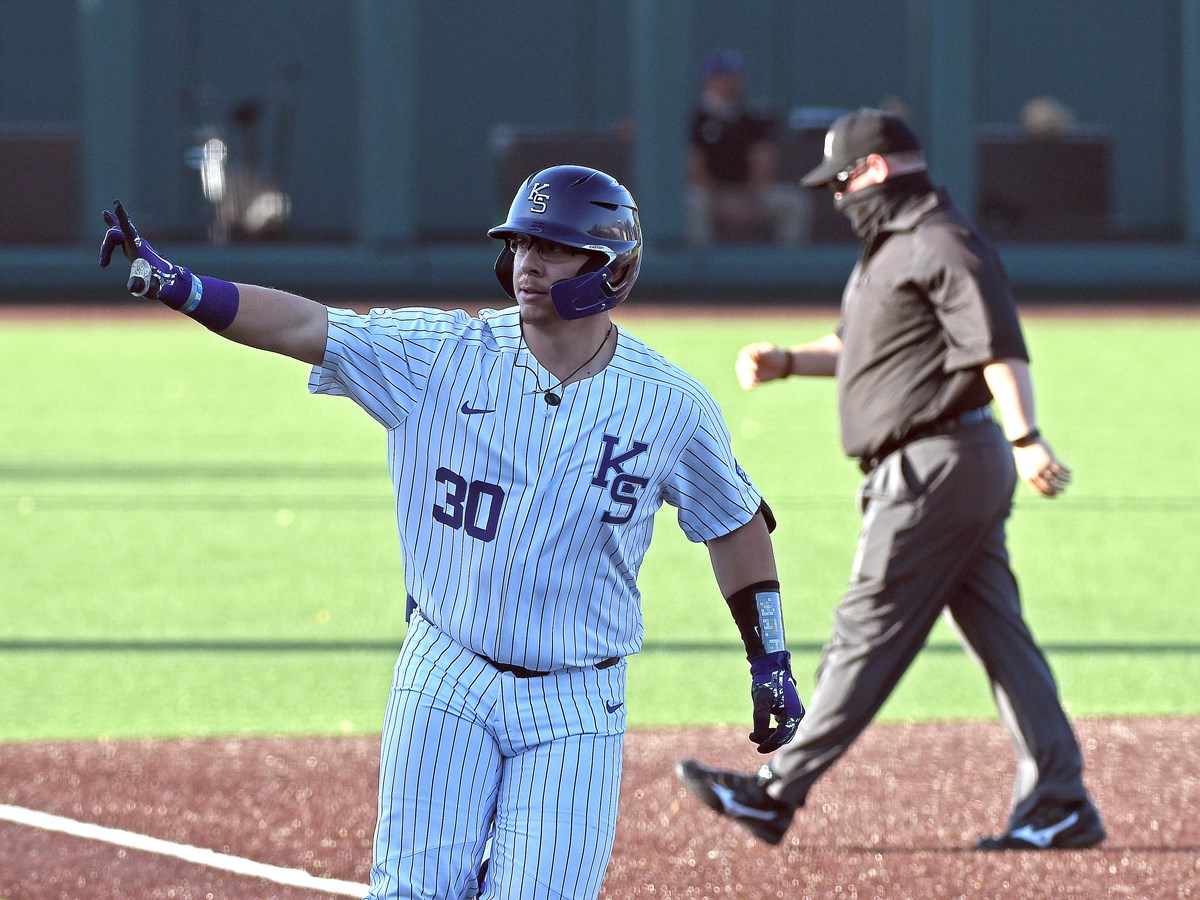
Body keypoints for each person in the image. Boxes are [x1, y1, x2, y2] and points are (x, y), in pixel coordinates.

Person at [98, 164, 805, 899]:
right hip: (447, 674)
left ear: (611, 267)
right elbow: (308, 326)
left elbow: (735, 523)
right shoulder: (438, 354)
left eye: (553, 249)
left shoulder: (670, 405)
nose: (528, 264)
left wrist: (771, 660)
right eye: (521, 244)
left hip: (577, 699)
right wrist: (184, 287)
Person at [676, 109, 1105, 852]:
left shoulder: (941, 241)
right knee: (999, 636)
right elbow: (861, 346)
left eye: (841, 181)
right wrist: (789, 361)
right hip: (943, 465)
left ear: (873, 169)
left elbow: (998, 346)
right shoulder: (896, 246)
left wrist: (1026, 436)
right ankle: (1060, 799)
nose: (838, 197)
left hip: (937, 466)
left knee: (865, 630)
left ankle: (776, 792)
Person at [687, 48, 809, 245]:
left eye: (733, 76)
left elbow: (763, 160)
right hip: (711, 195)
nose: (729, 82)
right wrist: (721, 201)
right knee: (691, 202)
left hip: (751, 193)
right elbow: (694, 166)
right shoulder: (696, 118)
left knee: (793, 201)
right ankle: (701, 261)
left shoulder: (752, 117)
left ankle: (786, 262)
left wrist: (751, 199)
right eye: (722, 76)